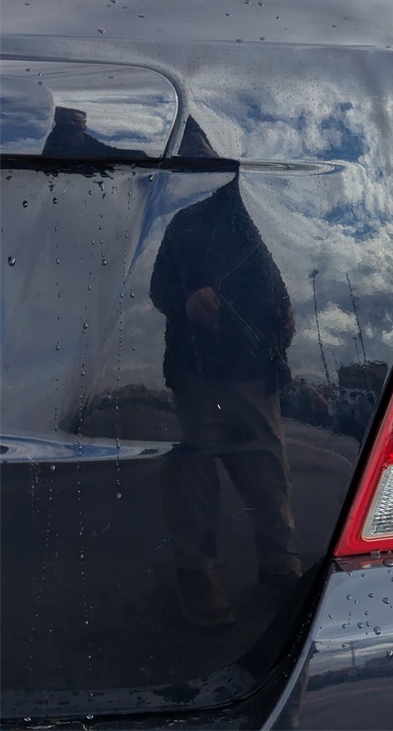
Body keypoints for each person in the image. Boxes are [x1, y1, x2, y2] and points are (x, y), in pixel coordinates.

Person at [150, 117, 299, 628]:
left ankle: (279, 565)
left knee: (268, 472)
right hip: (198, 371)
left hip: (255, 371)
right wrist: (188, 299)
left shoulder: (244, 216)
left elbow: (271, 280)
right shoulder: (181, 222)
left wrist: (282, 319)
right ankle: (195, 571)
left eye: (206, 148)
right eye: (190, 151)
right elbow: (159, 289)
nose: (202, 159)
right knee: (194, 470)